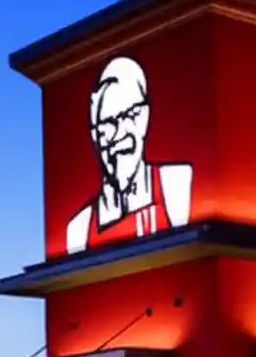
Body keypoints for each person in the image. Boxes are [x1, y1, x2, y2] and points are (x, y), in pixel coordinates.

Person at [67, 56, 192, 254]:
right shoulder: (78, 229)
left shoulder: (176, 185)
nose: (119, 133)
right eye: (107, 124)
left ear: (144, 118)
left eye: (128, 116)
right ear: (95, 137)